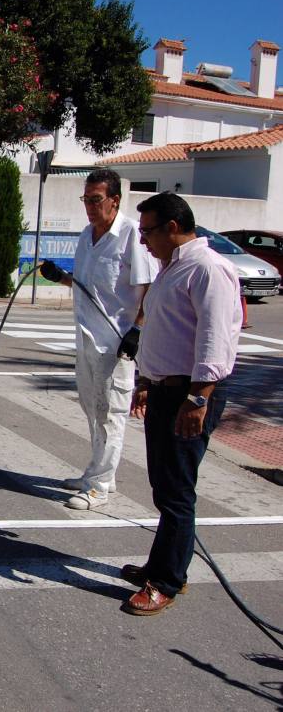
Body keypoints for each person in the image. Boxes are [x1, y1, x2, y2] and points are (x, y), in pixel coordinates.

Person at [122, 191, 241, 617]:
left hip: (189, 395)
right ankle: (163, 565)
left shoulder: (208, 268)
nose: (143, 241)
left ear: (172, 227)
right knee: (165, 487)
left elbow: (215, 340)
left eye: (148, 231)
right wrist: (146, 380)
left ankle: (168, 582)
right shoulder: (173, 268)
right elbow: (164, 331)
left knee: (176, 492)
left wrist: (197, 398)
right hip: (165, 389)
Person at [39, 169, 158, 510]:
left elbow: (149, 288)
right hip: (86, 336)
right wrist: (60, 277)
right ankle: (98, 471)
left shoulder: (131, 236)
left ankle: (100, 485)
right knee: (91, 408)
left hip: (116, 343)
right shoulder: (86, 236)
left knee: (111, 411)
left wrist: (137, 330)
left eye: (95, 200)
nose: (89, 207)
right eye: (86, 200)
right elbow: (88, 286)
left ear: (114, 200)